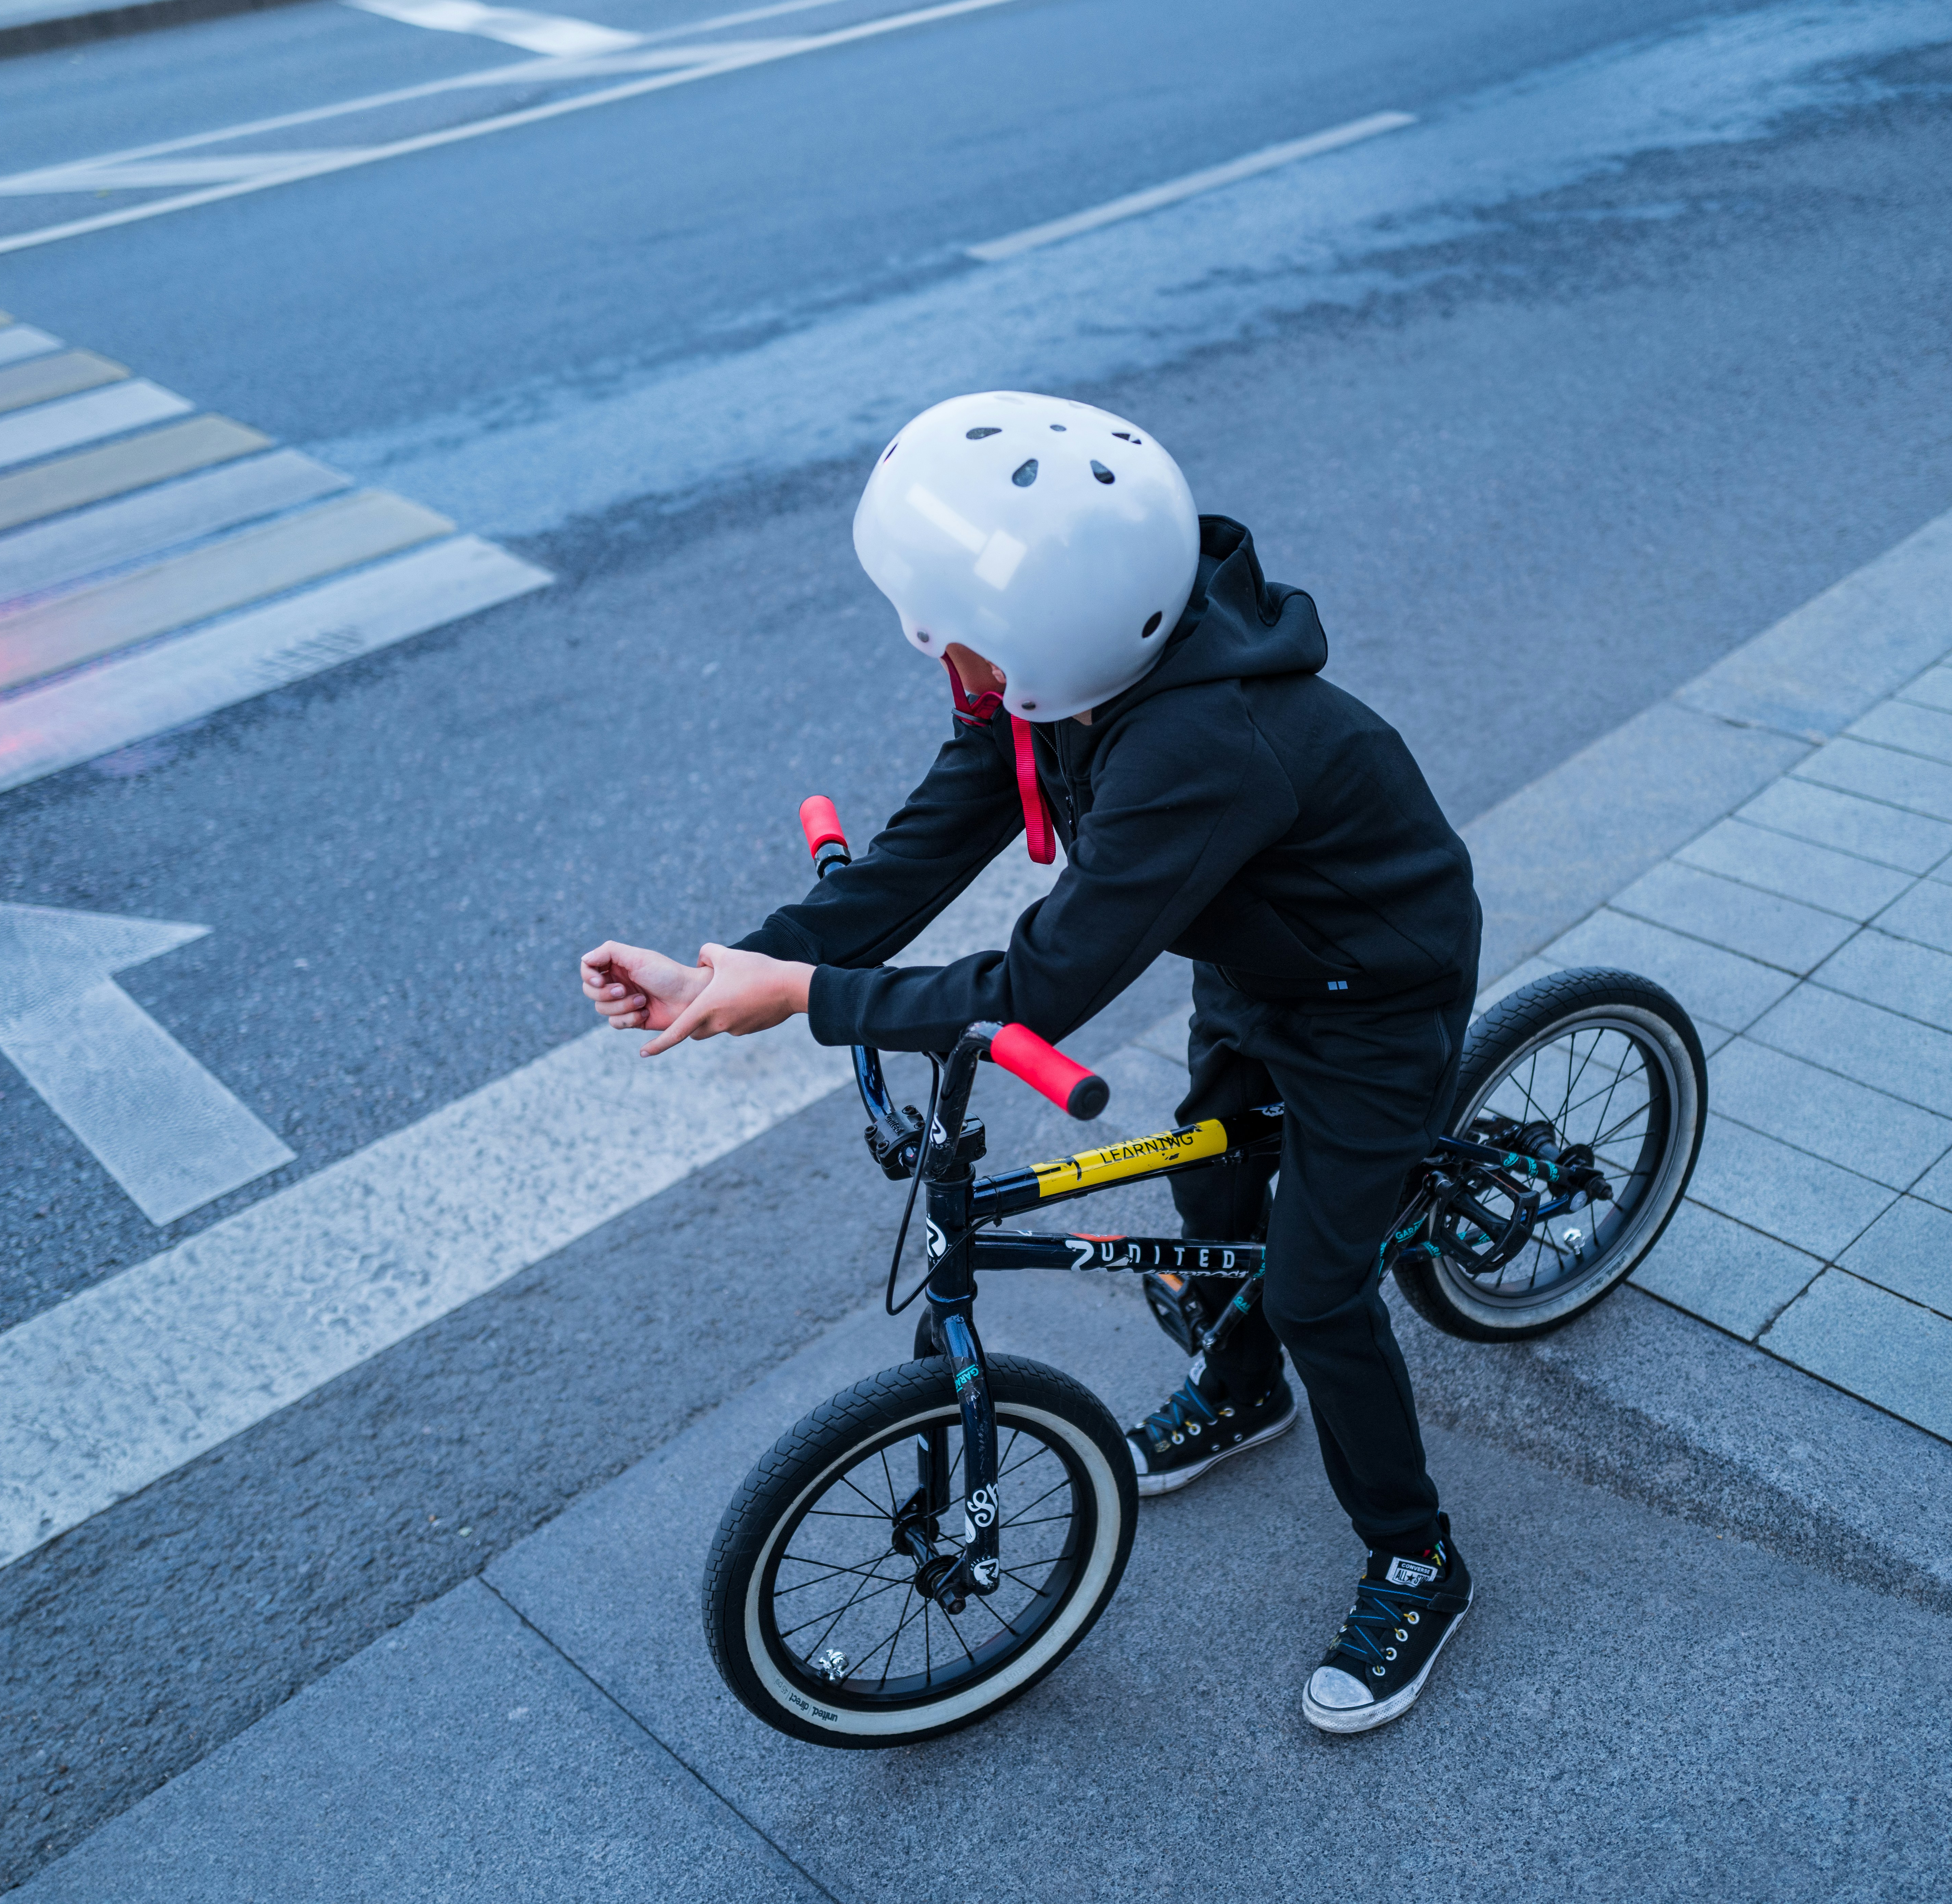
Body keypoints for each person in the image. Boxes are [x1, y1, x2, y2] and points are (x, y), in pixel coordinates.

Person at [580, 389, 1483, 1734]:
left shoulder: (1199, 746)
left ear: (1033, 637)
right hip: (1262, 961)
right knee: (1212, 1197)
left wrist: (813, 999)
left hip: (1373, 1000)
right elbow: (928, 843)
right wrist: (733, 970)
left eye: (950, 639)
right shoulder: (1062, 676)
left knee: (1312, 1286)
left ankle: (1418, 1555)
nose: (936, 657)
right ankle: (1241, 1400)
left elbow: (1040, 985)